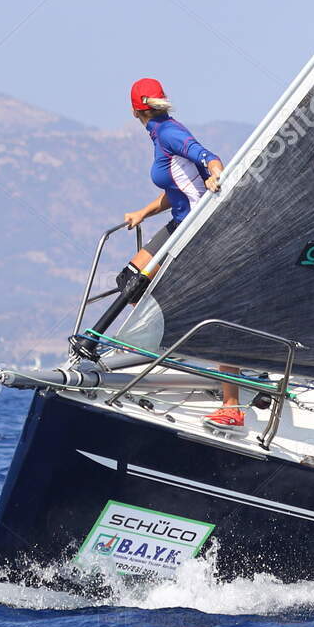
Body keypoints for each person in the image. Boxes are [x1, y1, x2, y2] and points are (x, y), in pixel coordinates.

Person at [120, 77, 245, 430]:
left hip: (198, 231)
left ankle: (232, 406)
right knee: (130, 283)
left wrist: (215, 176)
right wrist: (143, 212)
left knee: (211, 308)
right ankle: (164, 353)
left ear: (134, 110)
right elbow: (176, 185)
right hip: (178, 221)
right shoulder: (158, 132)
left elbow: (210, 158)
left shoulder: (169, 132)